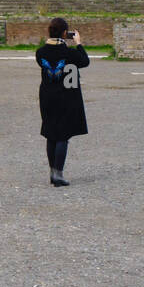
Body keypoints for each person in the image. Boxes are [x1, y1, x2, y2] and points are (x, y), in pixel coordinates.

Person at [36, 17, 90, 186]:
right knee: (62, 136)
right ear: (65, 33)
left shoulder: (40, 52)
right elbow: (84, 61)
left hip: (46, 97)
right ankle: (58, 173)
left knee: (50, 134)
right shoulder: (69, 53)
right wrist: (78, 43)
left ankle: (53, 172)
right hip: (65, 98)